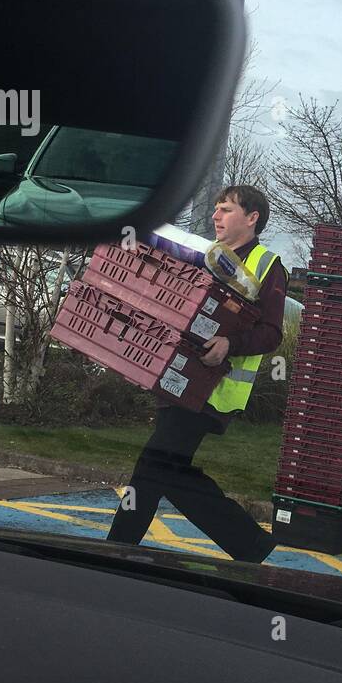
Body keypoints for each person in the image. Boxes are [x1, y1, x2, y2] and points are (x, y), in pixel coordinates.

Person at [105, 184, 288, 561]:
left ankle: (116, 550)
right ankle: (250, 544)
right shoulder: (205, 257)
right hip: (176, 381)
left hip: (212, 391)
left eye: (226, 210)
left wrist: (228, 344)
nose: (215, 216)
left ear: (252, 218)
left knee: (154, 465)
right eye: (216, 209)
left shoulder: (268, 266)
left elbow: (271, 333)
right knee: (165, 469)